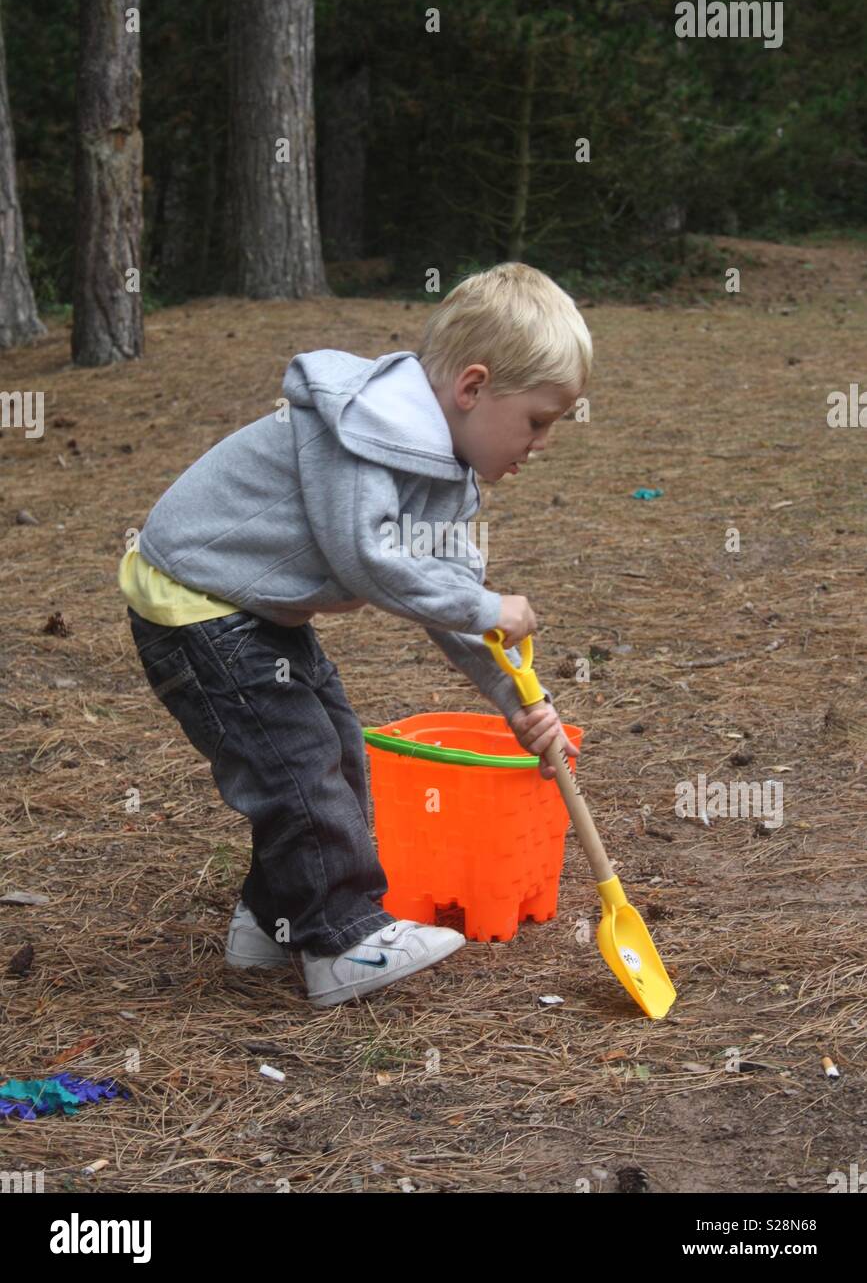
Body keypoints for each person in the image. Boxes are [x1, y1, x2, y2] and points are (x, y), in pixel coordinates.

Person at [118, 261, 592, 1008]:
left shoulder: (444, 466)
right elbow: (369, 559)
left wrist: (517, 704)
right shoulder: (364, 430)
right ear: (471, 388)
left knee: (332, 749)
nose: (541, 443)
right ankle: (338, 939)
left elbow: (450, 599)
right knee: (299, 767)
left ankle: (273, 922)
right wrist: (485, 607)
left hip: (250, 611)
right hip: (194, 605)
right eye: (536, 421)